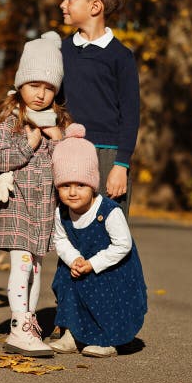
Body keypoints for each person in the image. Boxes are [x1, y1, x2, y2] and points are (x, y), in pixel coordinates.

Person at [0, 31, 70, 357]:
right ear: (20, 84)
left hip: (42, 209)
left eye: (48, 87)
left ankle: (30, 321)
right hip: (16, 206)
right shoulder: (8, 123)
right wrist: (30, 143)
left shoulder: (58, 125)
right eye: (34, 85)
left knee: (36, 267)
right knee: (22, 263)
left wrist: (60, 140)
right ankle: (18, 327)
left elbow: (69, 167)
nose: (40, 94)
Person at [49, 123, 147, 357]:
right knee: (66, 282)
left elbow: (123, 244)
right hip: (79, 263)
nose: (72, 192)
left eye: (80, 185)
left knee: (106, 296)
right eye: (65, 186)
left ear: (92, 185)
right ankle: (71, 332)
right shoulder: (61, 212)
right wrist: (74, 259)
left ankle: (106, 338)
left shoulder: (109, 211)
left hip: (112, 267)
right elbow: (60, 240)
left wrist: (94, 264)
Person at [59, 0, 139, 217]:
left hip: (109, 156)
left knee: (110, 233)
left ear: (95, 7)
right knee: (70, 231)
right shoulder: (60, 51)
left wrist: (121, 165)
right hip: (69, 151)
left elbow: (130, 114)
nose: (62, 4)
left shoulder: (121, 57)